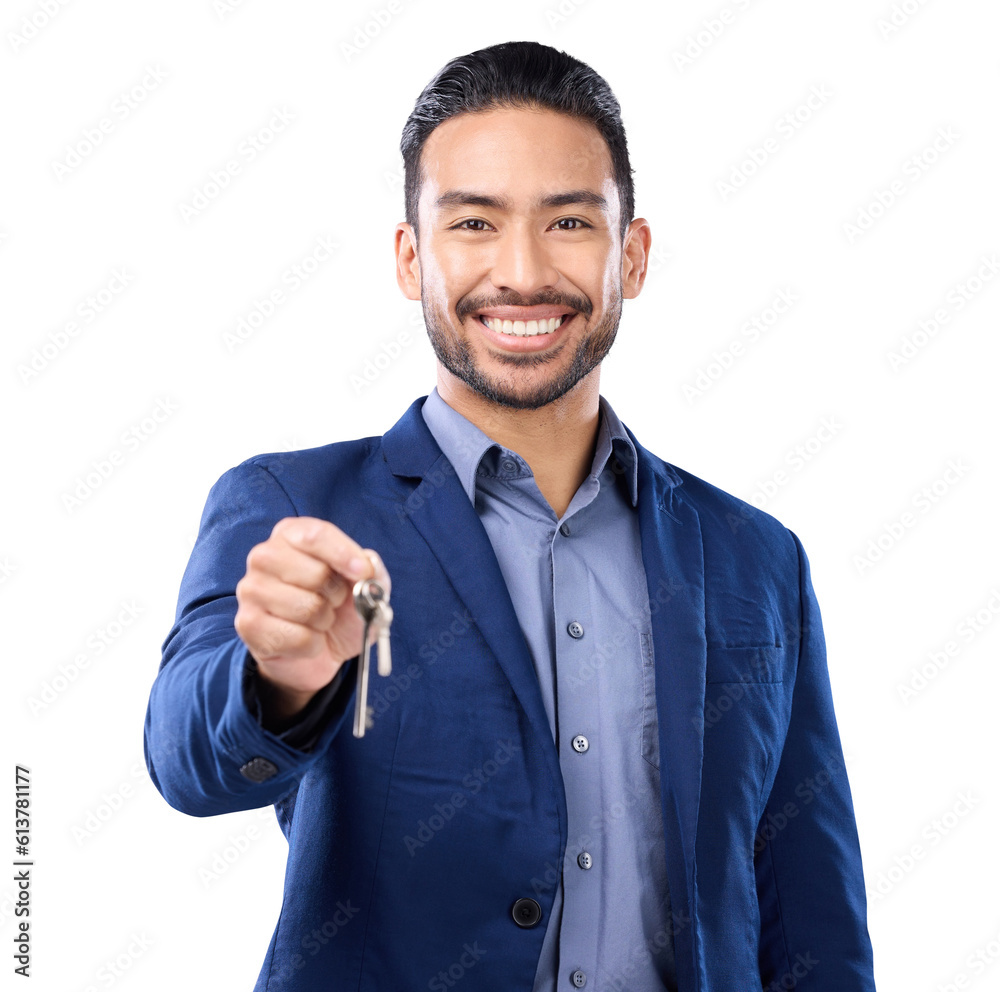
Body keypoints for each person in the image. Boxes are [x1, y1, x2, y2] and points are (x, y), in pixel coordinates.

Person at [143, 40, 876, 992]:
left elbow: (809, 902)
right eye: (474, 224)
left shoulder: (755, 558)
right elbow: (184, 761)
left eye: (569, 221)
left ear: (634, 254)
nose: (522, 273)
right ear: (412, 259)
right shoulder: (294, 505)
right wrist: (278, 683)